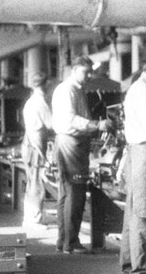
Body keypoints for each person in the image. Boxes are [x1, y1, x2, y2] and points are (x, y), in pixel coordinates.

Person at [51, 56, 110, 254]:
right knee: (74, 193)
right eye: (85, 72)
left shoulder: (78, 89)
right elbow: (70, 120)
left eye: (90, 72)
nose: (89, 76)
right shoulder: (67, 90)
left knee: (67, 194)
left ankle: (63, 240)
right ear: (74, 69)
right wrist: (96, 125)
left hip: (73, 143)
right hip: (70, 144)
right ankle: (71, 242)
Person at [117, 49, 146, 274]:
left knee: (133, 213)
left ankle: (127, 268)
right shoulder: (144, 91)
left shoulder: (139, 87)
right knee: (143, 211)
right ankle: (140, 271)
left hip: (137, 150)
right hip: (143, 150)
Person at [21, 72, 54, 229]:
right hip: (36, 146)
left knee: (31, 182)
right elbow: (51, 124)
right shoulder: (40, 102)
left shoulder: (30, 101)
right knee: (36, 183)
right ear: (45, 84)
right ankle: (34, 220)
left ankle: (29, 218)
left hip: (29, 143)